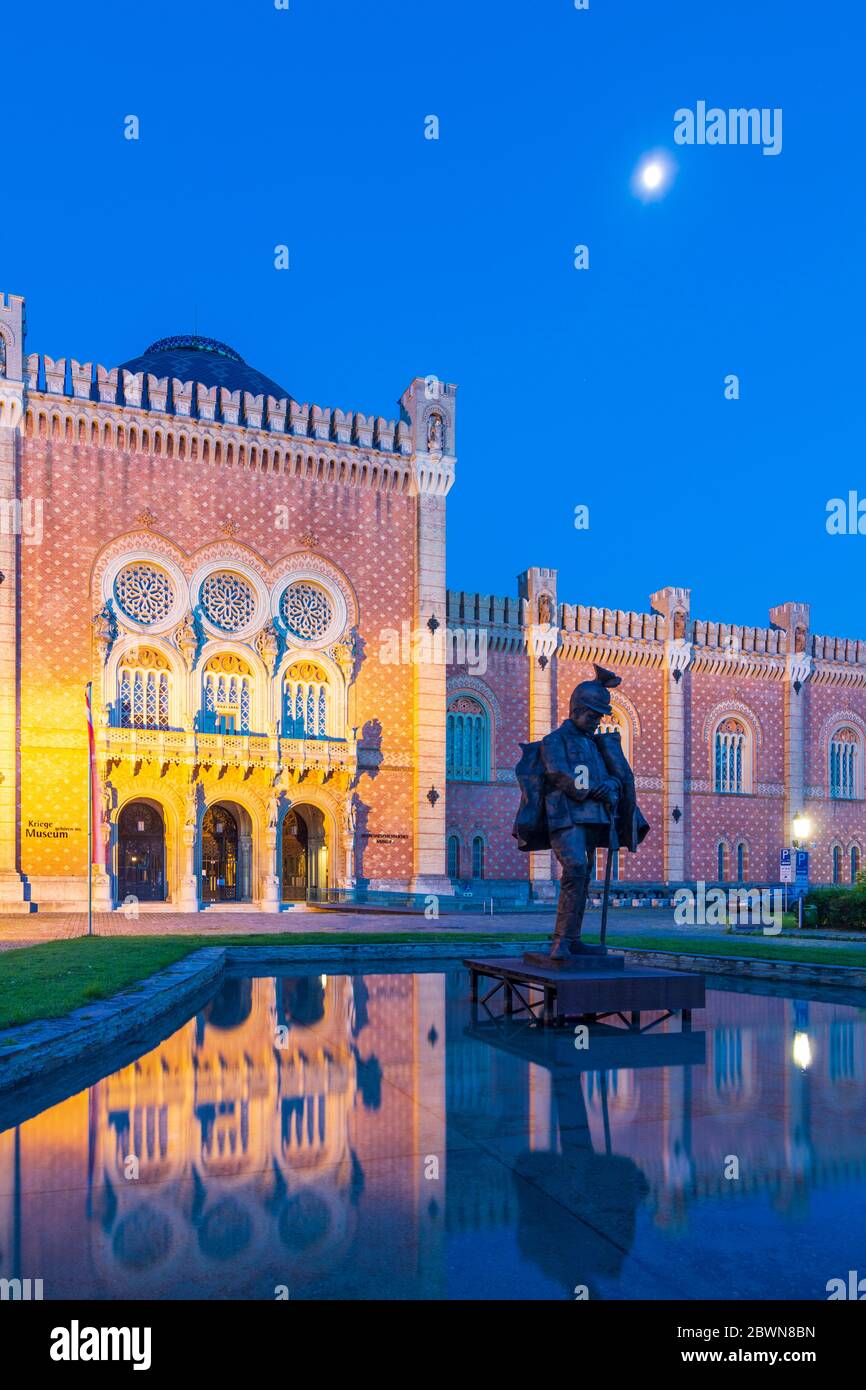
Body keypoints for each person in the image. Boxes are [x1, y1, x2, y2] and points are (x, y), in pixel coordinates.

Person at [540, 665, 629, 960]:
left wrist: (612, 785)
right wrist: (593, 788)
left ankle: (572, 940)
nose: (595, 722)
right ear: (576, 710)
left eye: (598, 717)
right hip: (565, 818)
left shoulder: (593, 744)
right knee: (575, 868)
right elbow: (558, 773)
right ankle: (560, 943)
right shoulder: (555, 740)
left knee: (584, 876)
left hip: (591, 817)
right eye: (592, 716)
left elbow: (611, 775)